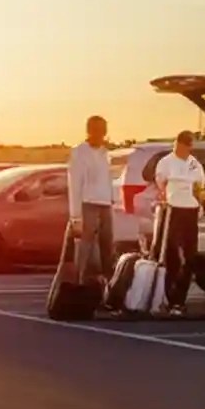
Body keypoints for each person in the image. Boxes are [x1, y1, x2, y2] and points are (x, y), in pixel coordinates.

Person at [154, 130, 205, 317]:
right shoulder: (166, 163)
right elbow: (161, 184)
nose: (182, 148)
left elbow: (200, 187)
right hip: (173, 210)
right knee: (172, 256)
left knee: (190, 257)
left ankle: (180, 299)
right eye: (180, 144)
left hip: (190, 211)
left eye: (187, 145)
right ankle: (169, 298)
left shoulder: (194, 165)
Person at [68, 115, 116, 286]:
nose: (101, 134)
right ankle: (79, 282)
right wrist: (76, 216)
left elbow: (108, 178)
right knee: (85, 246)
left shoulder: (105, 153)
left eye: (103, 130)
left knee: (107, 245)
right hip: (88, 203)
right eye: (97, 130)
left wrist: (112, 199)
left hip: (105, 203)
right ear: (89, 131)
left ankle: (108, 282)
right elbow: (75, 184)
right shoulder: (79, 152)